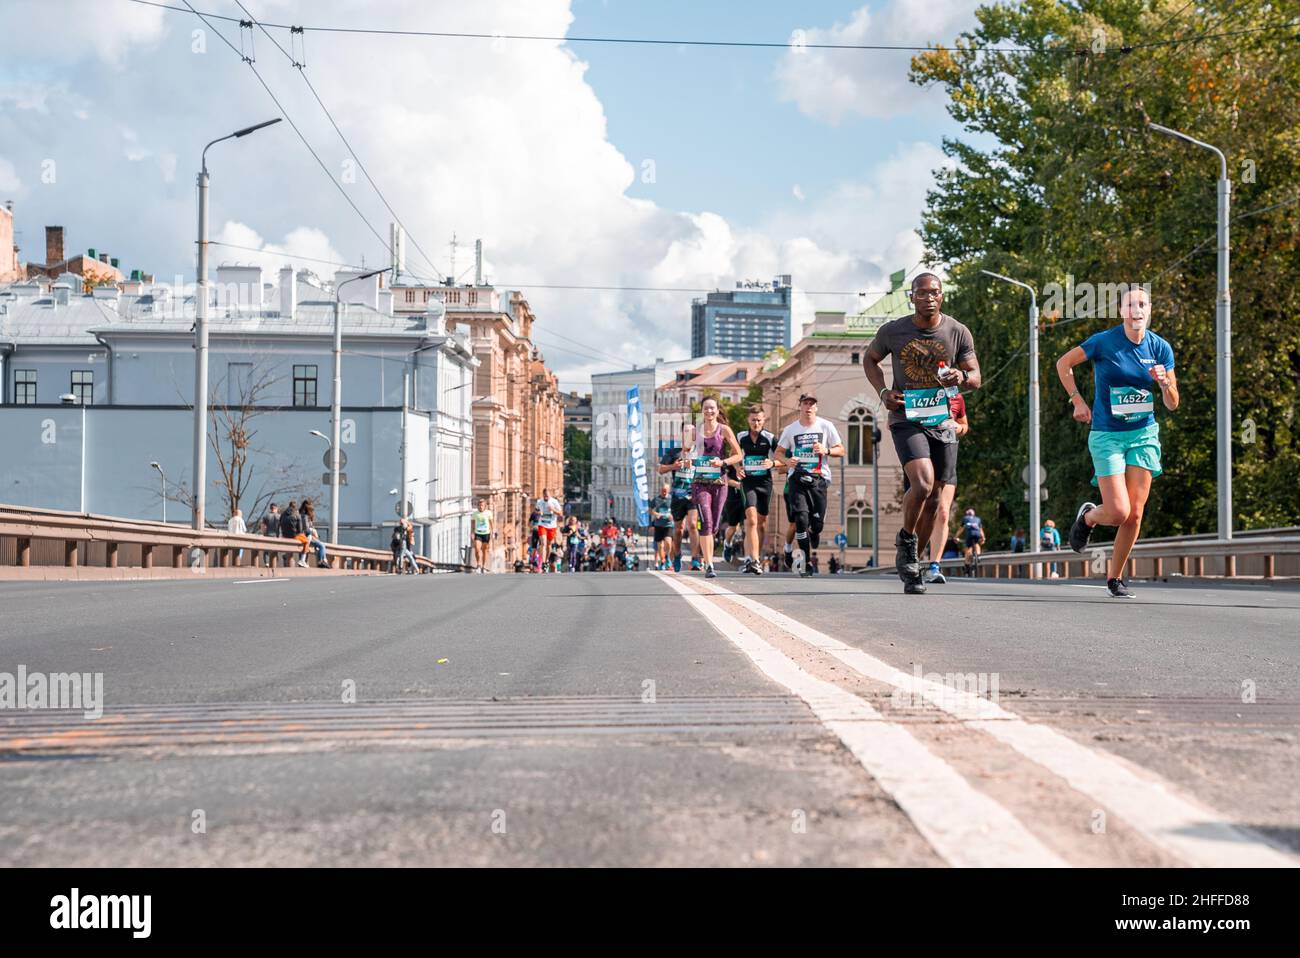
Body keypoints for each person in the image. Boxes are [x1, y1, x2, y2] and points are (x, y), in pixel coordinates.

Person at [863, 272, 980, 594]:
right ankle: (907, 540)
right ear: (911, 297)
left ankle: (912, 563)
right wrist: (883, 391)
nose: (929, 297)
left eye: (935, 292)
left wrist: (961, 376)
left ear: (941, 297)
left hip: (942, 421)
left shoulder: (957, 332)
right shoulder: (894, 331)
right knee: (923, 483)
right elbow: (870, 359)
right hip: (906, 418)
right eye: (922, 293)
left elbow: (976, 377)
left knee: (934, 499)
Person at [1057, 286, 1178, 598]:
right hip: (1108, 435)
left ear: (1149, 309)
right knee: (1118, 512)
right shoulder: (1103, 342)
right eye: (1129, 305)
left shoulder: (1161, 348)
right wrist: (1077, 401)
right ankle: (1088, 517)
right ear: (1121, 311)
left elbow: (1173, 403)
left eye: (1142, 304)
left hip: (1143, 434)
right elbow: (1063, 364)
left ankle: (1115, 578)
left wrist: (1164, 384)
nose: (1136, 310)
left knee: (1135, 513)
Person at [774, 394, 845, 578]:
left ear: (816, 408)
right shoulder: (791, 429)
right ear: (800, 407)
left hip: (819, 479)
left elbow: (841, 450)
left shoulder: (826, 426)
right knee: (800, 520)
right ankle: (805, 562)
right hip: (797, 478)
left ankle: (815, 531)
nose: (808, 407)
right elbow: (778, 453)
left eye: (812, 404)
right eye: (805, 403)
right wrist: (787, 461)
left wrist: (826, 450)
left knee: (817, 524)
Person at [916, 390, 970, 584]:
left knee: (943, 513)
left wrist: (959, 428)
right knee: (922, 512)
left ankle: (933, 566)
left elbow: (965, 426)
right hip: (921, 465)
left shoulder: (956, 397)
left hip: (947, 463)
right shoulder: (919, 393)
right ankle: (912, 556)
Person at [690, 396, 743, 578]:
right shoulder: (694, 431)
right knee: (706, 522)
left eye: (712, 408)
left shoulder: (725, 430)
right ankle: (709, 564)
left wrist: (723, 462)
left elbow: (738, 455)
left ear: (717, 411)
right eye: (706, 408)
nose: (709, 411)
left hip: (720, 483)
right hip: (700, 483)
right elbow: (686, 453)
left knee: (714, 526)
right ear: (702, 411)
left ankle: (709, 558)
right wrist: (687, 460)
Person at [735, 405, 776, 575]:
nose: (756, 423)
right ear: (748, 420)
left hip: (765, 483)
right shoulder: (741, 437)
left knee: (761, 523)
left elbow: (783, 458)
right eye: (753, 420)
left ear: (764, 420)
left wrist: (772, 463)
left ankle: (755, 556)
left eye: (759, 420)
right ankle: (752, 559)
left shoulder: (770, 438)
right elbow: (734, 455)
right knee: (750, 520)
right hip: (748, 482)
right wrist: (737, 468)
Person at [658, 423, 697, 573]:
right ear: (682, 434)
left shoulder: (699, 453)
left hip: (693, 494)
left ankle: (695, 559)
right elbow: (661, 469)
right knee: (679, 529)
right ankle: (677, 555)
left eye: (692, 432)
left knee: (693, 525)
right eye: (686, 431)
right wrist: (674, 466)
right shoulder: (674, 452)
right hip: (677, 495)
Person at [535, 489, 563, 573]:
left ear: (550, 495)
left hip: (552, 526)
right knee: (543, 543)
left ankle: (546, 560)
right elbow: (536, 510)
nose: (546, 497)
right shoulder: (539, 502)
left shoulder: (554, 502)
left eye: (547, 496)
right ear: (543, 495)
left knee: (549, 545)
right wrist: (538, 512)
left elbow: (560, 513)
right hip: (542, 525)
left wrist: (553, 509)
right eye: (545, 496)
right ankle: (543, 562)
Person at [650, 482, 674, 570]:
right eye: (662, 491)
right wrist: (655, 514)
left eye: (665, 491)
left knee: (668, 542)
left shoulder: (672, 499)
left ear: (668, 490)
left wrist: (672, 515)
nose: (664, 492)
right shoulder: (656, 499)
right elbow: (649, 510)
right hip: (658, 525)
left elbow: (676, 509)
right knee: (660, 546)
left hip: (668, 524)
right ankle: (662, 561)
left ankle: (667, 557)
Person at [960, 507, 985, 575]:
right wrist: (983, 537)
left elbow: (961, 529)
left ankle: (967, 562)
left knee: (968, 547)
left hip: (969, 534)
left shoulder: (965, 518)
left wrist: (955, 537)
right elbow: (980, 530)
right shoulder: (977, 519)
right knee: (977, 544)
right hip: (977, 534)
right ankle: (978, 555)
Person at [471, 498, 493, 573]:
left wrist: (493, 533)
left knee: (484, 550)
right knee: (477, 549)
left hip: (486, 534)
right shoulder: (475, 513)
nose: (480, 507)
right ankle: (478, 565)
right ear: (477, 506)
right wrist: (472, 533)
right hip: (478, 533)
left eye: (482, 505)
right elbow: (473, 524)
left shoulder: (489, 513)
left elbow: (491, 523)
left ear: (485, 506)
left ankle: (483, 566)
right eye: (479, 505)